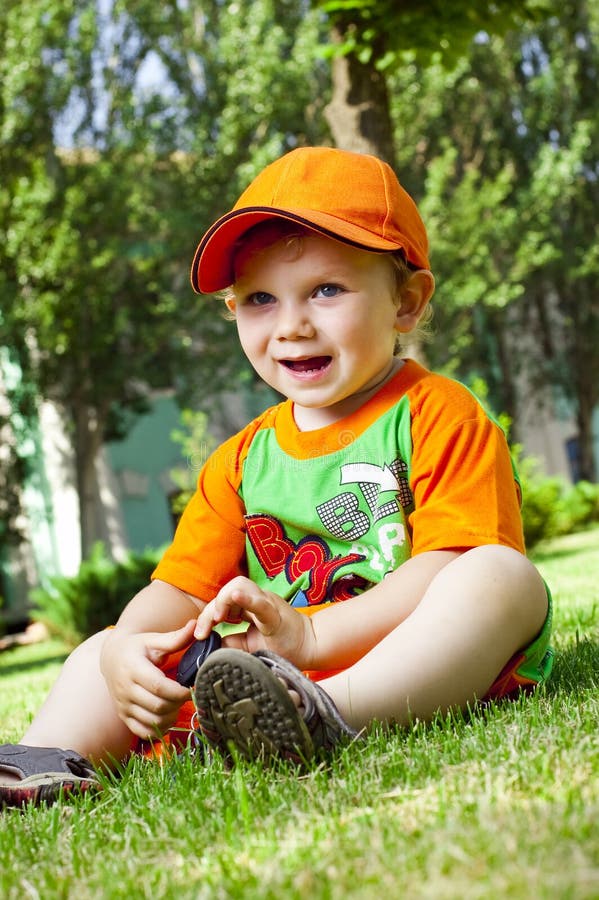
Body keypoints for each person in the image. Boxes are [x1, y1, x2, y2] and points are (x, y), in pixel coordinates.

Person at [0, 147, 553, 806]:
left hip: (410, 663)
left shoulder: (437, 414)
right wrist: (128, 647)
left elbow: (446, 563)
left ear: (405, 302)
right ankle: (46, 760)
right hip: (262, 680)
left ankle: (332, 714)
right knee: (104, 647)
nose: (291, 326)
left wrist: (315, 638)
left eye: (326, 290)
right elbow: (178, 591)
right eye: (260, 298)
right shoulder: (239, 462)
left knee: (499, 574)